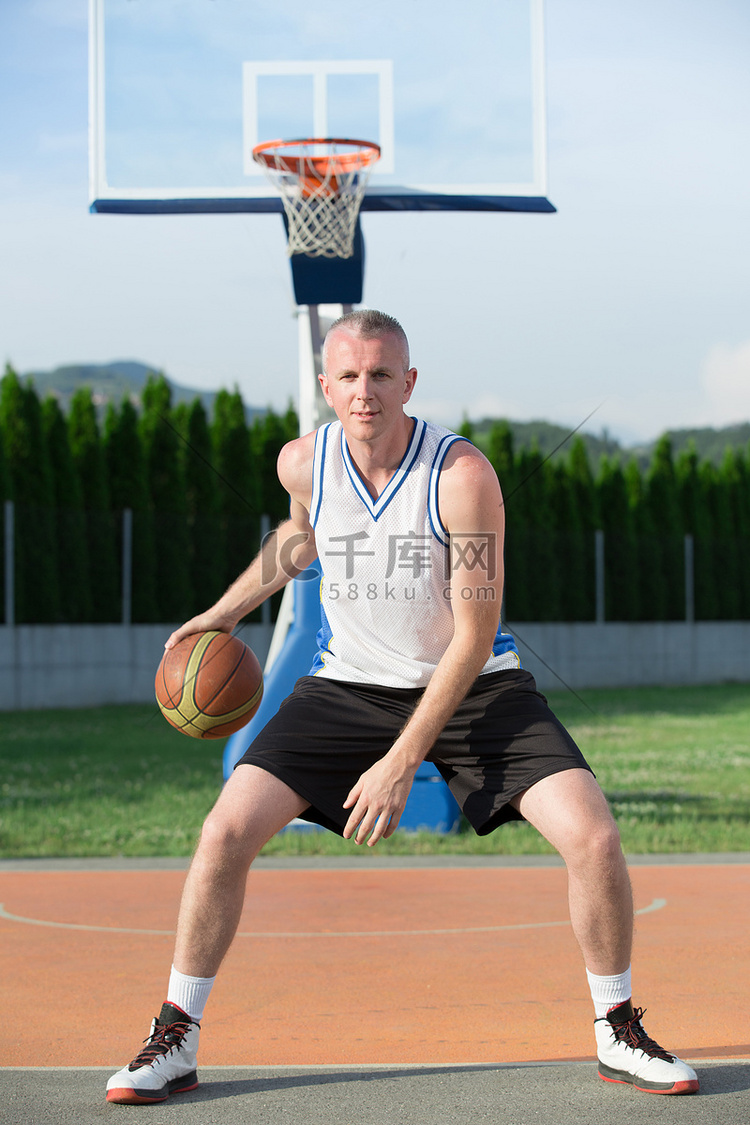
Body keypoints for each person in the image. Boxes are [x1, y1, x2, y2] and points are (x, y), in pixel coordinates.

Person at [106, 310, 699, 1104]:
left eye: (382, 375)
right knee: (223, 831)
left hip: (476, 687)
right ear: (326, 387)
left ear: (409, 382)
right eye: (348, 377)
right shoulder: (303, 461)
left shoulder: (463, 476)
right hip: (345, 687)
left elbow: (473, 633)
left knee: (593, 835)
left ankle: (617, 1028)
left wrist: (401, 757)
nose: (365, 392)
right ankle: (175, 1035)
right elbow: (303, 536)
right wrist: (222, 613)